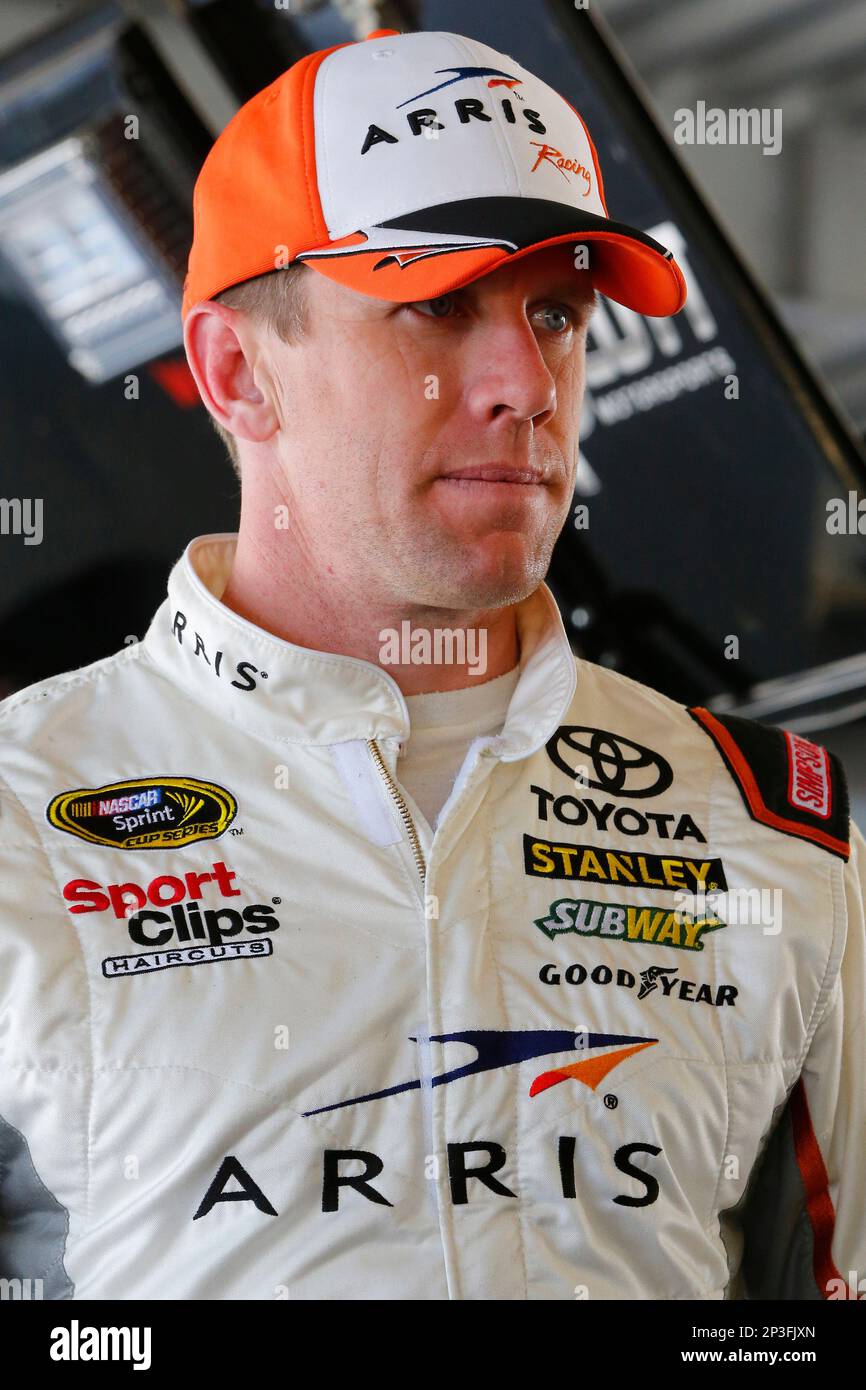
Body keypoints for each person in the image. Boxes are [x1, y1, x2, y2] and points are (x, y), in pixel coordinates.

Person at [0, 27, 863, 1303]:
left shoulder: (768, 820)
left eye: (557, 312)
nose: (525, 381)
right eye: (439, 306)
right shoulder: (21, 808)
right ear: (237, 370)